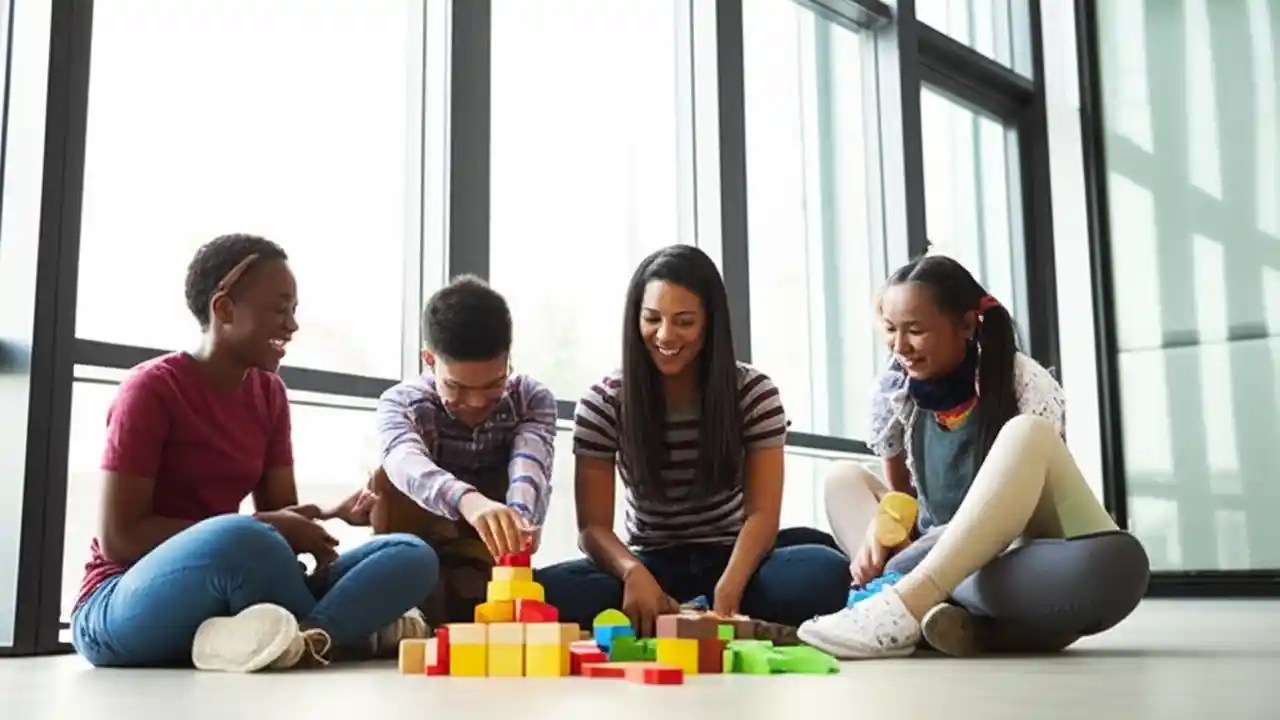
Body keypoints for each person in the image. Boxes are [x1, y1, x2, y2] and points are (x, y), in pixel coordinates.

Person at [70, 234, 438, 672]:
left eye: (294, 311)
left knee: (411, 553)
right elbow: (120, 538)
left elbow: (278, 520)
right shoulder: (151, 389)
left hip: (233, 583)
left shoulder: (269, 394)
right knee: (243, 538)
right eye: (280, 310)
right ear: (224, 309)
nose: (292, 326)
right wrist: (263, 526)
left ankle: (311, 635)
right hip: (119, 602)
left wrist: (326, 514)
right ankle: (350, 630)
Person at [797, 254, 1150, 659]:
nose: (900, 347)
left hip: (1018, 553)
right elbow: (906, 502)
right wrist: (882, 533)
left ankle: (904, 603)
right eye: (891, 330)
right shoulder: (897, 392)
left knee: (1028, 435)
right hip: (947, 562)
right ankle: (958, 620)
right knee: (843, 478)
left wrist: (910, 563)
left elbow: (1034, 514)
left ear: (966, 325)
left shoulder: (1021, 380)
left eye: (915, 331)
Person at [536, 245, 850, 634]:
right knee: (541, 593)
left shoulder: (753, 393)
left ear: (710, 323)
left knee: (826, 573)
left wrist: (730, 587)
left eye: (684, 321)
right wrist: (633, 572)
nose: (665, 335)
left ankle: (687, 613)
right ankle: (682, 610)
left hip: (735, 557)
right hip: (652, 562)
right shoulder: (604, 402)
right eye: (652, 319)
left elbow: (762, 515)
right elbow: (593, 529)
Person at [359, 275, 557, 626]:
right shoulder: (402, 403)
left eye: (494, 384)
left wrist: (518, 521)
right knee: (386, 481)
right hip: (417, 544)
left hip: (485, 551)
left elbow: (531, 464)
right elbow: (404, 460)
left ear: (509, 358)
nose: (477, 401)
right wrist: (469, 501)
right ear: (429, 360)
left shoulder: (530, 399)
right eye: (457, 387)